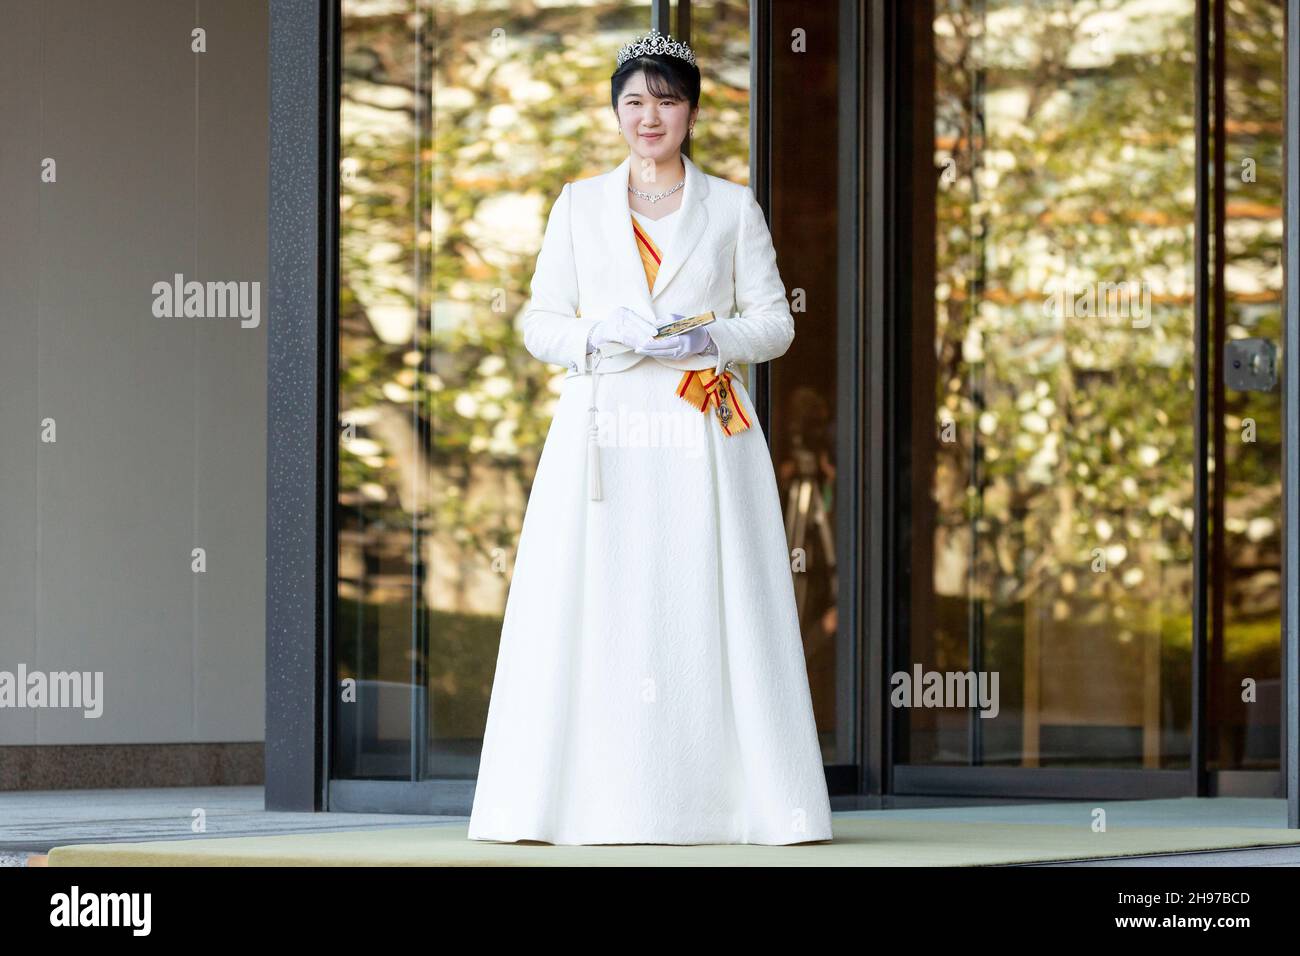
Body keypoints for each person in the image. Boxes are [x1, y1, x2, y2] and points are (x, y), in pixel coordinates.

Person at [466, 28, 833, 846]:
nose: (649, 116)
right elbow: (539, 322)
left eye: (666, 99)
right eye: (634, 101)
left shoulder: (731, 206)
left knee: (702, 599)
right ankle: (582, 804)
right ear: (617, 113)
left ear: (692, 111)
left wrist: (708, 340)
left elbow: (774, 324)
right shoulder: (578, 204)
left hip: (704, 431)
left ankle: (725, 806)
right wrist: (601, 336)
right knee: (600, 599)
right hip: (604, 431)